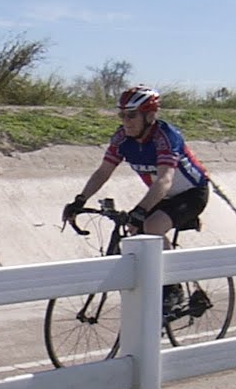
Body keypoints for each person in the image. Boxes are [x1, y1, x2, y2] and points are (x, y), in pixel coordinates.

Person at [61, 84, 212, 313]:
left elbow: (164, 181)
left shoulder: (166, 137)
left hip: (192, 193)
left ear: (149, 116)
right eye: (122, 115)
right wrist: (79, 201)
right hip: (163, 195)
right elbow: (103, 172)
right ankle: (157, 288)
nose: (126, 121)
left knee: (152, 225)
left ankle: (174, 289)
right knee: (135, 232)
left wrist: (140, 211)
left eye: (131, 115)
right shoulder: (122, 138)